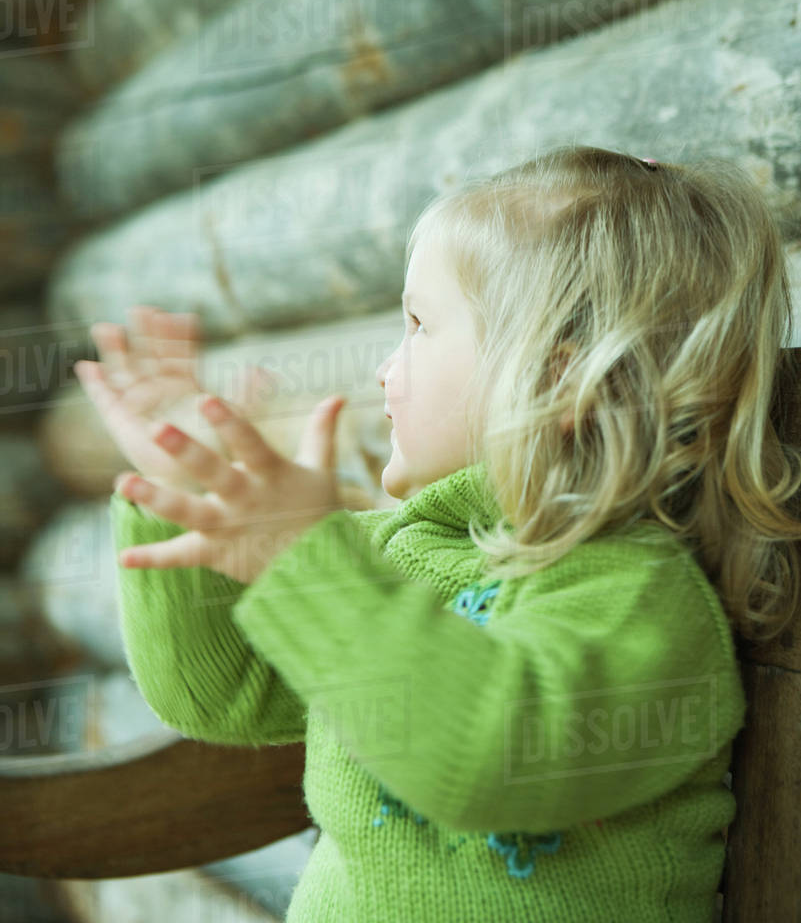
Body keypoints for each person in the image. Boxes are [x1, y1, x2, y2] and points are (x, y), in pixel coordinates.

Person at [75, 144, 801, 922]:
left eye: (418, 325)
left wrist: (304, 564)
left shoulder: (635, 600)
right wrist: (181, 487)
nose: (385, 369)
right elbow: (218, 697)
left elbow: (483, 761)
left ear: (557, 379)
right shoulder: (393, 554)